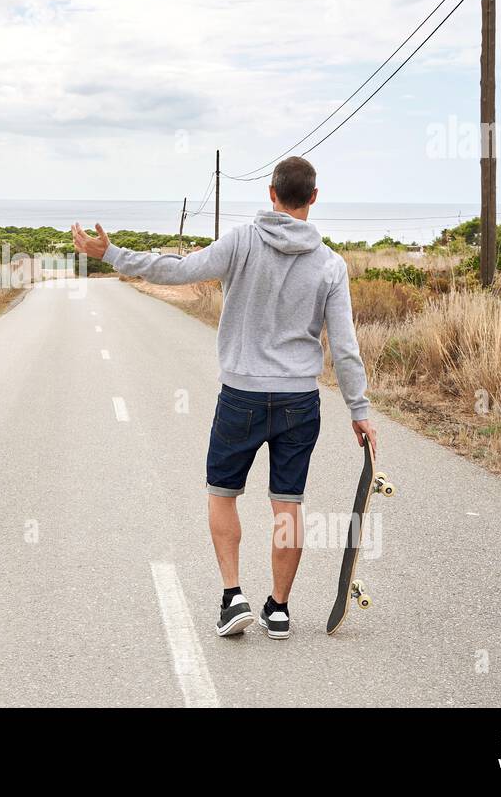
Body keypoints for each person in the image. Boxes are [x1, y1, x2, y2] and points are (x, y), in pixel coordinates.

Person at [71, 156, 375, 640]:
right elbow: (345, 347)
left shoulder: (241, 242)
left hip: (241, 396)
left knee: (222, 492)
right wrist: (359, 410)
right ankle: (278, 609)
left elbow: (174, 270)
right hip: (300, 402)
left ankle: (233, 596)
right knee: (288, 504)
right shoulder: (330, 264)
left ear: (270, 193)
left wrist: (112, 254)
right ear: (313, 198)